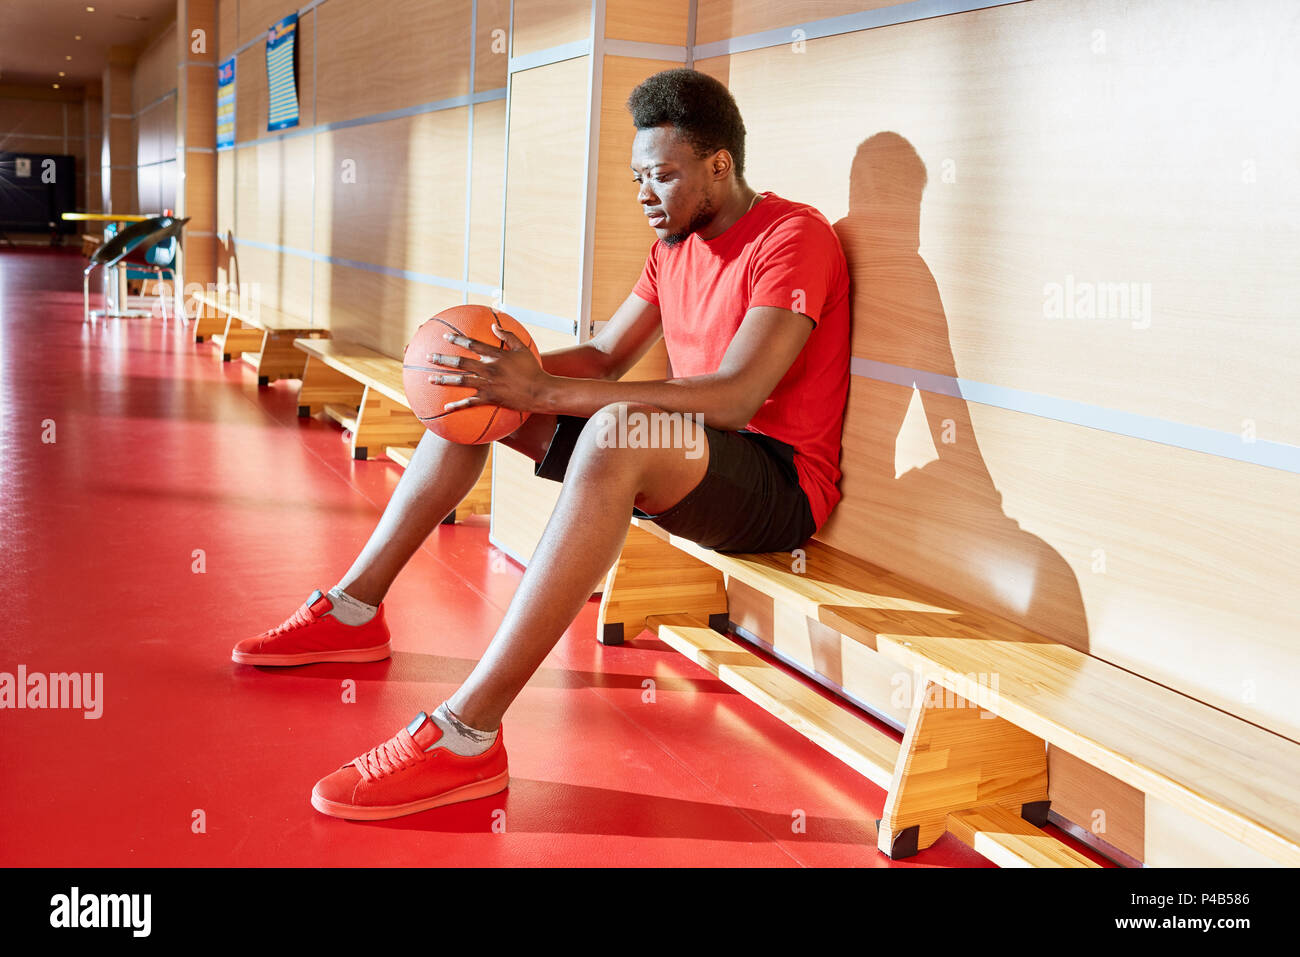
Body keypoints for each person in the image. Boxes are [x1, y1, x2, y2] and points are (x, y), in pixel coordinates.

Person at [232, 68, 851, 821]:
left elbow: (735, 395)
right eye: (637, 178)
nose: (645, 194)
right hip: (692, 458)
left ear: (719, 165)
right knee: (473, 398)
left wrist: (546, 393)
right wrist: (491, 372)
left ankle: (466, 732)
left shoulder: (796, 236)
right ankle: (353, 609)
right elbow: (602, 356)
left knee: (621, 431)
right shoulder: (674, 244)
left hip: (777, 484)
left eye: (662, 175)